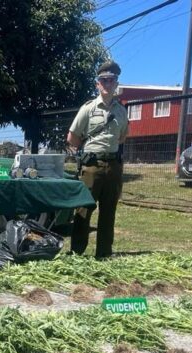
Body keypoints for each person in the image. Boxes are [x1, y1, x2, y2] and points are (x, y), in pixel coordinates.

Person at [66, 60, 129, 259]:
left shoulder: (121, 111)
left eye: (111, 81)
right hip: (92, 167)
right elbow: (72, 137)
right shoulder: (88, 109)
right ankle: (77, 252)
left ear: (116, 83)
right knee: (84, 210)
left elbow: (122, 137)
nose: (107, 85)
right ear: (97, 84)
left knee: (109, 212)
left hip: (113, 166)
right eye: (103, 81)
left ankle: (103, 253)